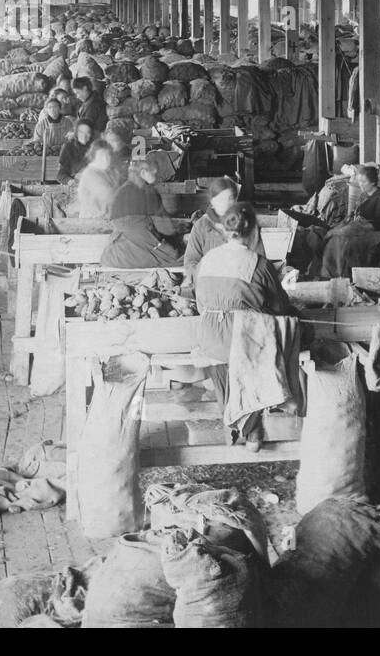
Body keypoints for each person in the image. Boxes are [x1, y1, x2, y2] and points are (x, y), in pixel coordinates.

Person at [195, 202, 297, 452]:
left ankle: (236, 419)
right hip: (240, 338)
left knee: (224, 359)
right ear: (254, 232)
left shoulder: (207, 260)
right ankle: (252, 426)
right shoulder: (257, 263)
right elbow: (280, 307)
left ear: (224, 232)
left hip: (209, 336)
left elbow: (200, 303)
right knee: (273, 333)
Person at [100, 159, 182, 268]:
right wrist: (179, 229)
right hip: (142, 245)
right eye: (154, 173)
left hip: (117, 253)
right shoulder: (148, 191)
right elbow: (165, 228)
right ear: (143, 173)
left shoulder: (120, 191)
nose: (157, 178)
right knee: (177, 258)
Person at [184, 177, 264, 286]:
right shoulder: (201, 226)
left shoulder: (247, 224)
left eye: (231, 198)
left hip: (242, 284)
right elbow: (190, 263)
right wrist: (206, 277)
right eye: (221, 199)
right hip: (210, 285)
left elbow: (260, 260)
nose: (227, 203)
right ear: (212, 201)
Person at [75, 140, 121, 218]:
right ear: (93, 157)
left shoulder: (113, 172)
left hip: (109, 219)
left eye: (108, 155)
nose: (106, 159)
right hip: (92, 222)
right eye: (101, 156)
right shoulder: (90, 174)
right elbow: (109, 196)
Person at [349, 164, 380, 229]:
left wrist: (362, 226)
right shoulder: (363, 194)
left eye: (363, 182)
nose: (361, 184)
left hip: (375, 233)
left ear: (373, 182)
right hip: (360, 227)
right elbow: (355, 211)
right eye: (359, 181)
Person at [57, 120, 96, 184]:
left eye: (88, 132)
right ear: (76, 133)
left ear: (92, 133)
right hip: (75, 186)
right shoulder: (68, 147)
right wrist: (69, 181)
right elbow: (60, 174)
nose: (84, 136)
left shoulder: (96, 147)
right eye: (81, 132)